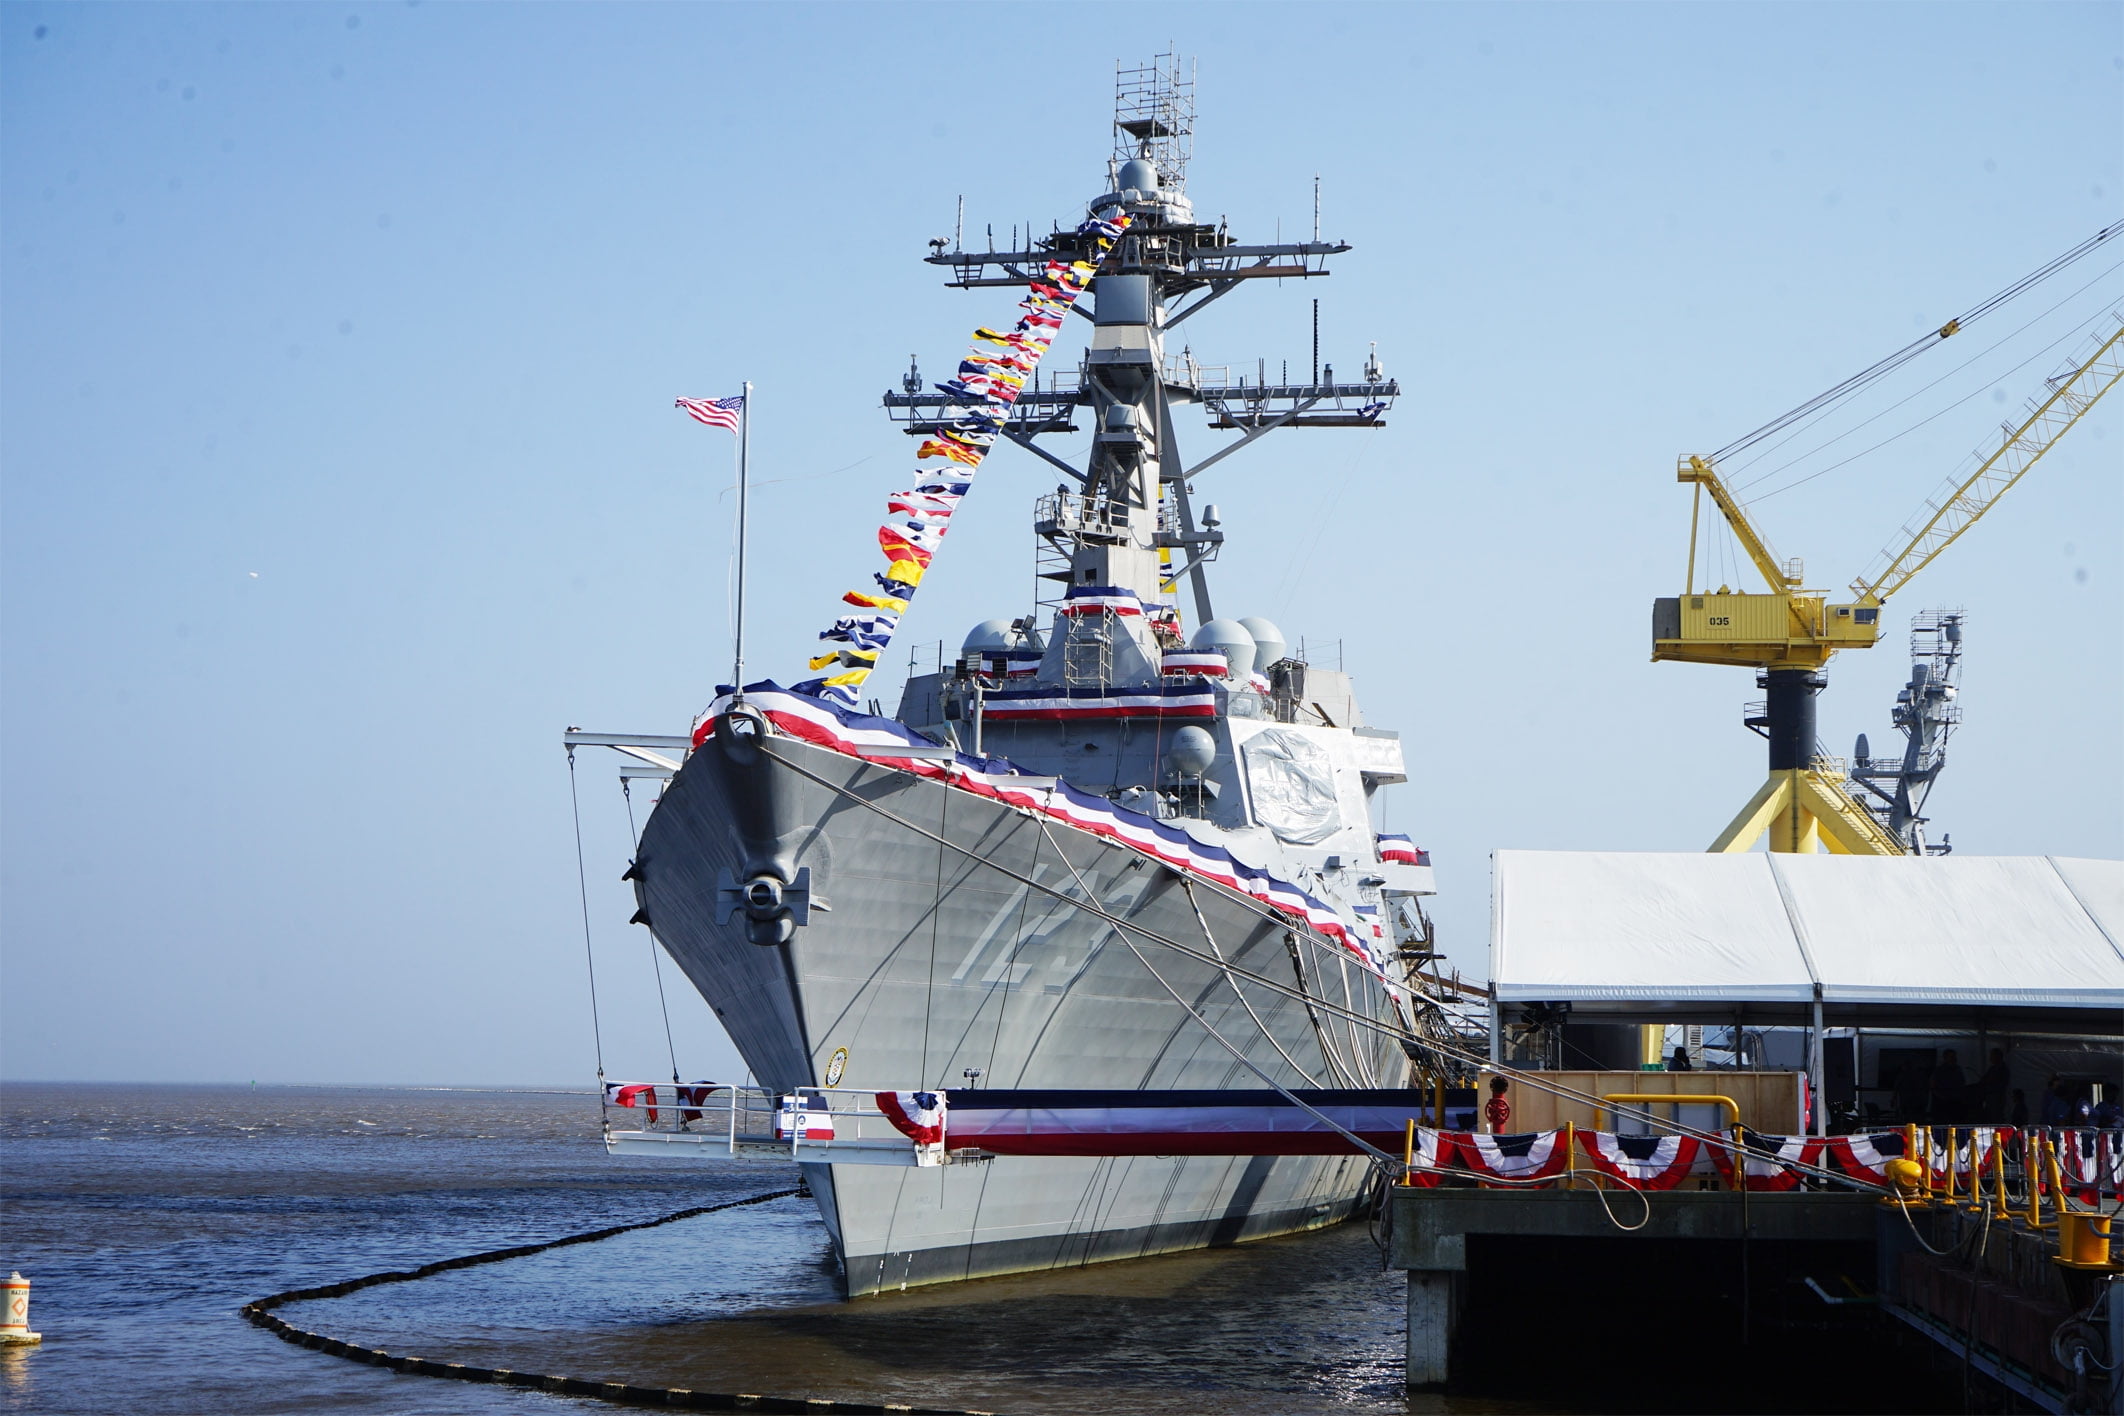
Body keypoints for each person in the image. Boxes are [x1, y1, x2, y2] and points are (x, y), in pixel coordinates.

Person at [1929, 1049, 1968, 1124]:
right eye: (1951, 1057)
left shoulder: (1958, 1070)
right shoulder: (1939, 1071)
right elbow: (1933, 1086)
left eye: (1954, 1057)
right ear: (1945, 1058)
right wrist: (1942, 1096)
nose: (1954, 1059)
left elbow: (1962, 1083)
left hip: (1956, 1102)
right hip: (1942, 1103)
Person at [1976, 1048, 2010, 1123]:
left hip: (1997, 1098)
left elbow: (2001, 1084)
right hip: (1990, 1098)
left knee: (1996, 1118)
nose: (1990, 1058)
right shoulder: (1992, 1068)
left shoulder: (2002, 1069)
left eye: (1992, 1056)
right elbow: (1983, 1080)